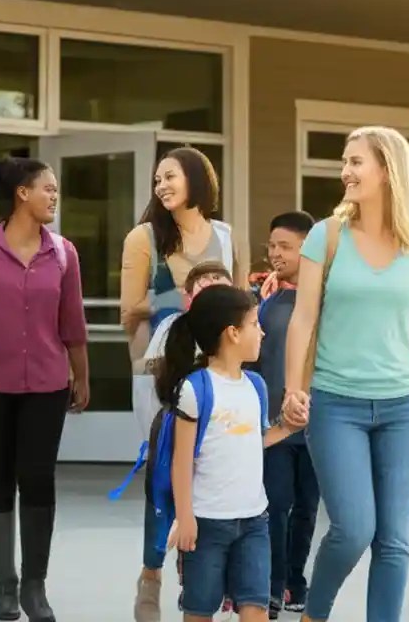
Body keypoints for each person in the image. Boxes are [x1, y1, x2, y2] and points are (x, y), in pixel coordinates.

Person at [282, 126, 409, 622]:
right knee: (354, 528)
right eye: (345, 161)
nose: (345, 171)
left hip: (403, 406)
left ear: (387, 169)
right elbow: (303, 318)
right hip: (336, 403)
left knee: (395, 540)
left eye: (356, 162)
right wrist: (294, 389)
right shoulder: (326, 235)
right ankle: (315, 613)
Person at [0, 157, 90, 622]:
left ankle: (35, 586)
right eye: (48, 189)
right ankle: (5, 588)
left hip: (47, 383)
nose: (54, 197)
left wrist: (83, 376)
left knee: (37, 479)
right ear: (22, 193)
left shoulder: (63, 253)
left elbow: (72, 323)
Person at [119, 146, 238, 622]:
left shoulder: (225, 236)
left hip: (217, 369)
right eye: (157, 180)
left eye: (170, 176)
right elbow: (130, 311)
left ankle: (199, 578)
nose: (161, 186)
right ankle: (151, 574)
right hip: (162, 372)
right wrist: (186, 296)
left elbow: (237, 304)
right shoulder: (143, 237)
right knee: (166, 476)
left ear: (195, 179)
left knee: (211, 474)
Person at [157, 284, 307, 622]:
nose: (262, 331)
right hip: (206, 524)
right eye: (255, 324)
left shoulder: (255, 386)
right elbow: (182, 461)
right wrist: (186, 517)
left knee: (255, 609)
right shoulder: (195, 389)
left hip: (255, 521)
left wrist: (289, 429)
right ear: (232, 333)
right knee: (200, 610)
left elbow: (256, 439)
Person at [249, 211, 319, 618]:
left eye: (285, 247)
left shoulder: (325, 299)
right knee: (275, 505)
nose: (275, 253)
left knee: (308, 508)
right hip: (274, 427)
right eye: (271, 246)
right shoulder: (266, 300)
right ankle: (271, 587)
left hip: (318, 426)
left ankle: (296, 582)